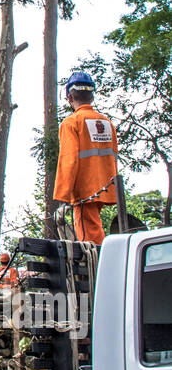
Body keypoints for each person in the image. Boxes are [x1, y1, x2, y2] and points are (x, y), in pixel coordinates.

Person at [53, 70, 119, 245]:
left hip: (85, 192)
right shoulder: (106, 123)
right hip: (105, 186)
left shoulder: (71, 123)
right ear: (92, 96)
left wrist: (63, 196)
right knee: (94, 227)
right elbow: (113, 155)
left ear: (70, 98)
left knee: (89, 239)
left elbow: (69, 160)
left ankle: (98, 266)